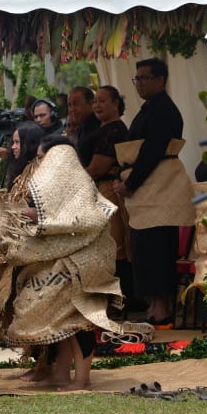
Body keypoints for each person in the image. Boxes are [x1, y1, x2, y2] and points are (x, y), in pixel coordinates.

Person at [0, 137, 151, 390]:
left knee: (80, 324)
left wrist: (24, 213)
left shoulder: (78, 184)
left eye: (43, 157)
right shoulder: (61, 185)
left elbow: (73, 220)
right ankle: (62, 375)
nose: (40, 162)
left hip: (84, 266)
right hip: (67, 262)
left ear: (59, 157)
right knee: (61, 324)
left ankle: (82, 379)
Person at [112, 58, 196, 329]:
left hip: (160, 185)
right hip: (147, 186)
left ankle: (162, 309)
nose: (139, 83)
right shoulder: (149, 108)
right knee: (145, 247)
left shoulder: (164, 110)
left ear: (161, 80)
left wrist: (131, 183)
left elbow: (152, 151)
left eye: (145, 78)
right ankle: (153, 307)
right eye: (137, 79)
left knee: (158, 247)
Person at [86, 85, 136, 310]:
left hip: (106, 190)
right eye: (95, 101)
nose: (97, 105)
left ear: (116, 103)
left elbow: (98, 167)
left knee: (114, 245)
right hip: (98, 190)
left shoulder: (114, 130)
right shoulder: (101, 128)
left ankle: (121, 298)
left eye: (102, 100)